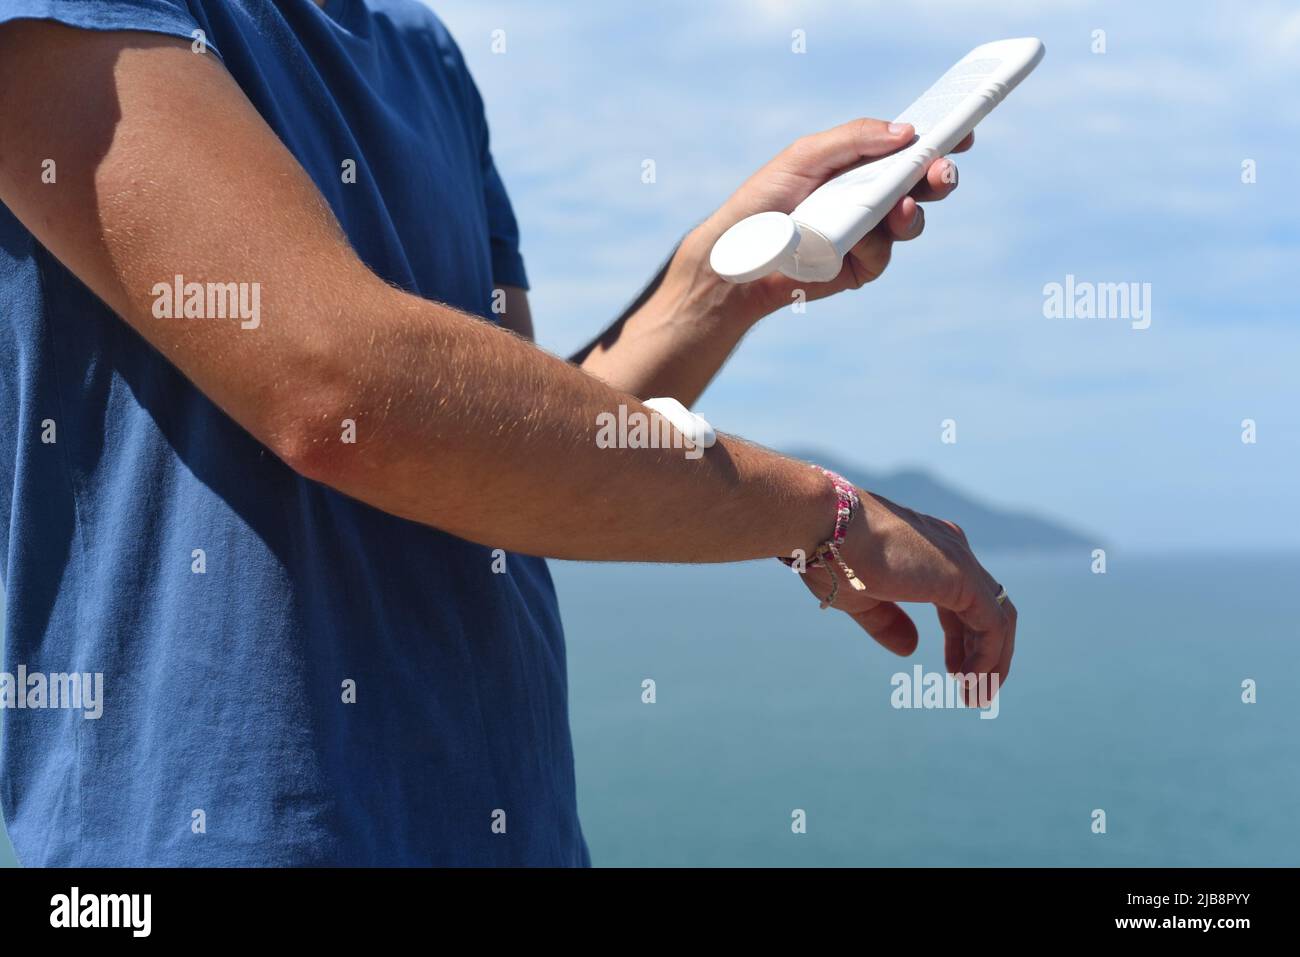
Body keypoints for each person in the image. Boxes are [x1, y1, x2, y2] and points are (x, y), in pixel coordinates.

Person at [0, 0, 1016, 866]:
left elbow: (498, 452)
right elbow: (338, 387)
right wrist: (822, 511)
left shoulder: (419, 47)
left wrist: (712, 292)